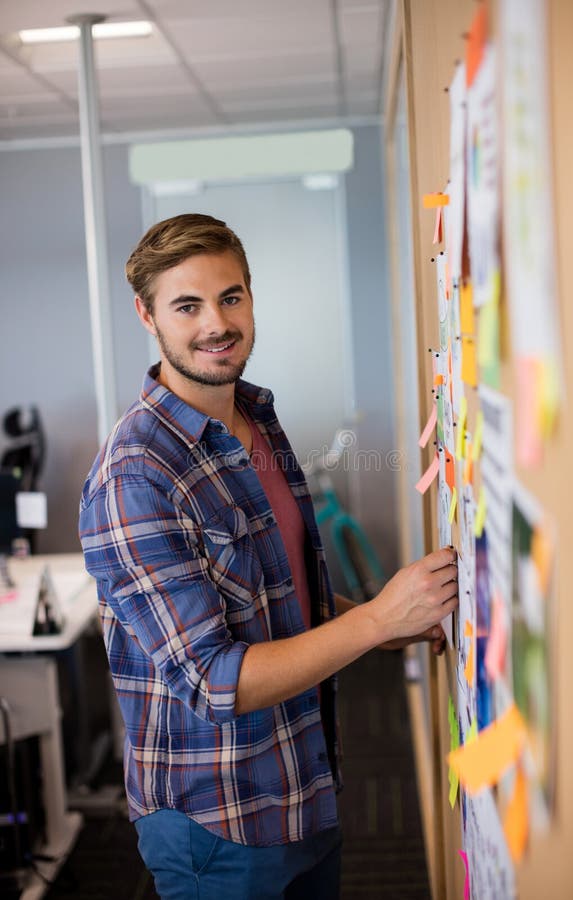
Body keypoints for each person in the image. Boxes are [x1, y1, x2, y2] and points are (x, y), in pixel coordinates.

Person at [79, 213, 458, 900]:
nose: (215, 324)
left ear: (251, 297)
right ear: (147, 314)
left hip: (301, 781)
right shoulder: (135, 477)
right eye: (186, 306)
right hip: (216, 821)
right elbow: (214, 680)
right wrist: (374, 623)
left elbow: (279, 597)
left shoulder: (253, 416)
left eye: (230, 297)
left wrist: (386, 619)